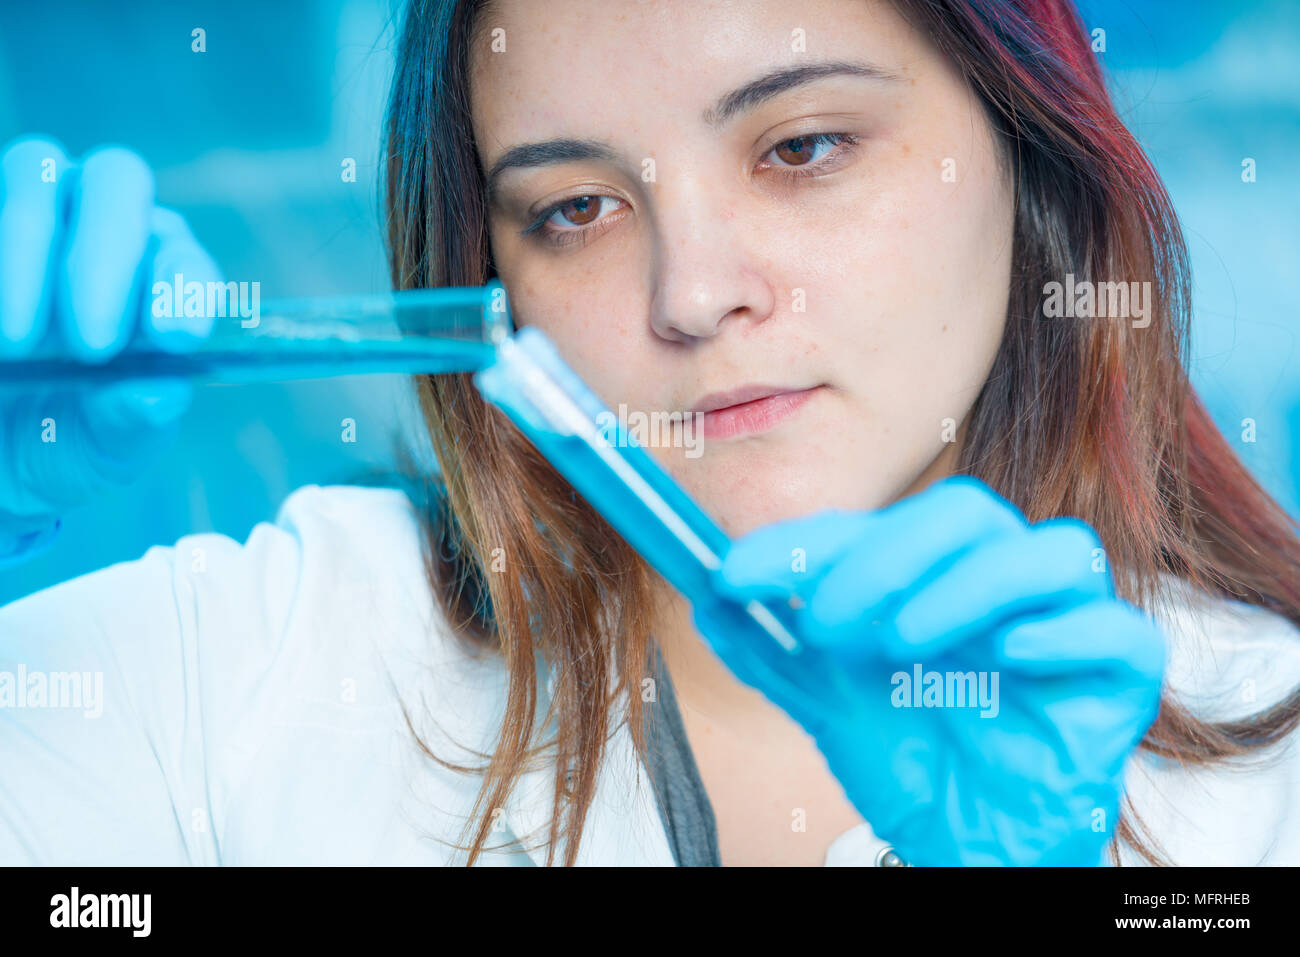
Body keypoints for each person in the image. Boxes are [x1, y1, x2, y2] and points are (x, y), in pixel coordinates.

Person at [2, 0, 1299, 867]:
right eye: (574, 208)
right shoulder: (248, 666)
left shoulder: (1271, 771)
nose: (689, 294)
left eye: (801, 146)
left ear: (1030, 156)